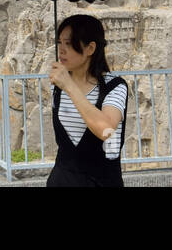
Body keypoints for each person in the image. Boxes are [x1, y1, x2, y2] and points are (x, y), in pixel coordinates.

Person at [47, 14, 129, 186]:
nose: (61, 50)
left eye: (68, 44)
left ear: (90, 48)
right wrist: (65, 85)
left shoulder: (115, 86)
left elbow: (106, 129)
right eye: (59, 42)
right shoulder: (57, 87)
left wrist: (70, 86)